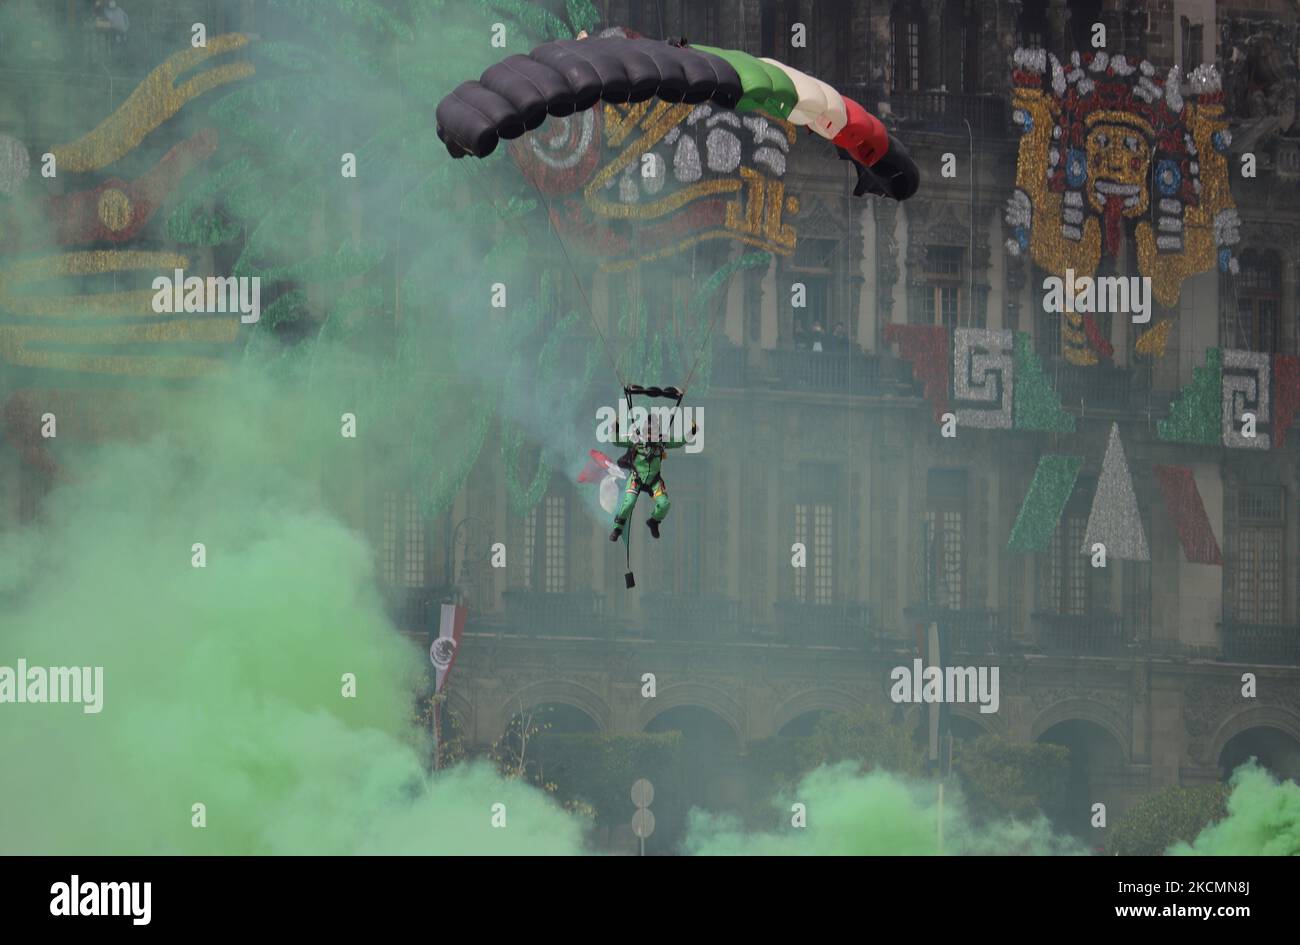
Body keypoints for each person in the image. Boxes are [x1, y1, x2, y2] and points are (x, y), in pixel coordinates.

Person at [608, 414, 695, 541]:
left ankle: (654, 521)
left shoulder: (662, 443)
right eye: (647, 432)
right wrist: (615, 425)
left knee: (665, 504)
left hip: (653, 481)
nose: (649, 436)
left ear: (658, 432)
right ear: (643, 431)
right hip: (636, 478)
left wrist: (692, 431)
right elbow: (615, 441)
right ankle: (618, 527)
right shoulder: (636, 440)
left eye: (652, 433)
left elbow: (679, 442)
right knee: (629, 503)